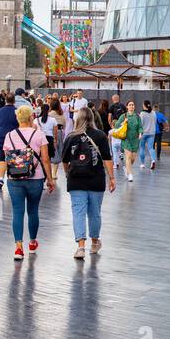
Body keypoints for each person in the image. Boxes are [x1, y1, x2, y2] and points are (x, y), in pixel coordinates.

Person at [2, 104, 55, 260]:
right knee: (33, 211)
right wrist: (50, 179)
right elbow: (45, 159)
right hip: (35, 178)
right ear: (31, 117)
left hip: (14, 178)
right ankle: (32, 242)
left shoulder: (9, 135)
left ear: (18, 118)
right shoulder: (39, 135)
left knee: (17, 212)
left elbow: (7, 158)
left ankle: (18, 248)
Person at [61, 107, 114, 259]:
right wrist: (112, 178)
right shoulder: (100, 136)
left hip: (76, 179)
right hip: (96, 179)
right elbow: (107, 158)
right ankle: (95, 242)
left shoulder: (71, 136)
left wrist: (67, 173)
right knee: (94, 213)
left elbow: (65, 160)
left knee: (78, 212)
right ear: (92, 118)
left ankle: (81, 246)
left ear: (78, 119)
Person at [0, 89, 22, 191]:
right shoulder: (18, 112)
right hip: (14, 139)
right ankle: (13, 178)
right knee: (14, 159)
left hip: (1, 137)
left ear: (5, 100)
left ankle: (0, 179)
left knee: (1, 160)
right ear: (14, 101)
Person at [115, 100, 142, 182]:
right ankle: (130, 175)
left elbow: (140, 126)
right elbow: (116, 125)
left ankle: (126, 168)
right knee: (128, 156)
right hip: (126, 139)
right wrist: (123, 122)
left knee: (133, 158)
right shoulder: (124, 116)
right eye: (130, 105)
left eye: (133, 105)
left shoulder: (137, 116)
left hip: (135, 139)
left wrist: (140, 133)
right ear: (127, 107)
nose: (131, 106)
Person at [139, 100, 158, 170]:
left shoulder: (142, 113)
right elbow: (155, 122)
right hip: (152, 133)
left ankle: (142, 164)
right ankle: (153, 160)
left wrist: (139, 133)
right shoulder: (153, 113)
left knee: (142, 148)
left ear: (144, 105)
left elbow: (140, 124)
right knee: (151, 148)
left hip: (144, 133)